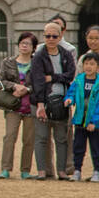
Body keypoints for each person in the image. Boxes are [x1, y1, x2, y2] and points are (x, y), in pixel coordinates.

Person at [30, 20, 75, 180]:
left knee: (61, 138)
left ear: (60, 36)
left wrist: (53, 77)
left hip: (62, 101)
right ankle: (42, 170)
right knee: (41, 137)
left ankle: (61, 171)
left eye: (54, 36)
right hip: (41, 101)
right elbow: (38, 80)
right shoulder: (38, 56)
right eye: (47, 36)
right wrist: (41, 104)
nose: (50, 39)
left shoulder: (66, 54)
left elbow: (70, 75)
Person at [65, 51, 99, 182]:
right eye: (86, 63)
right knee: (78, 147)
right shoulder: (78, 81)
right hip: (80, 120)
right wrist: (69, 100)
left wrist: (94, 121)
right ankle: (77, 170)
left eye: (92, 64)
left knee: (97, 148)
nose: (88, 67)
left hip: (95, 124)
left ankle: (97, 171)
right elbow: (71, 93)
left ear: (98, 67)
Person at [0, 32, 36, 178]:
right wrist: (14, 86)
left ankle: (25, 170)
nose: (24, 46)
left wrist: (27, 89)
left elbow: (40, 82)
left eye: (28, 44)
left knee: (28, 139)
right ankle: (5, 168)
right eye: (22, 43)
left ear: (33, 47)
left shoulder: (37, 63)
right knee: (9, 137)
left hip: (30, 105)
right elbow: (0, 80)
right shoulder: (8, 62)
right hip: (13, 105)